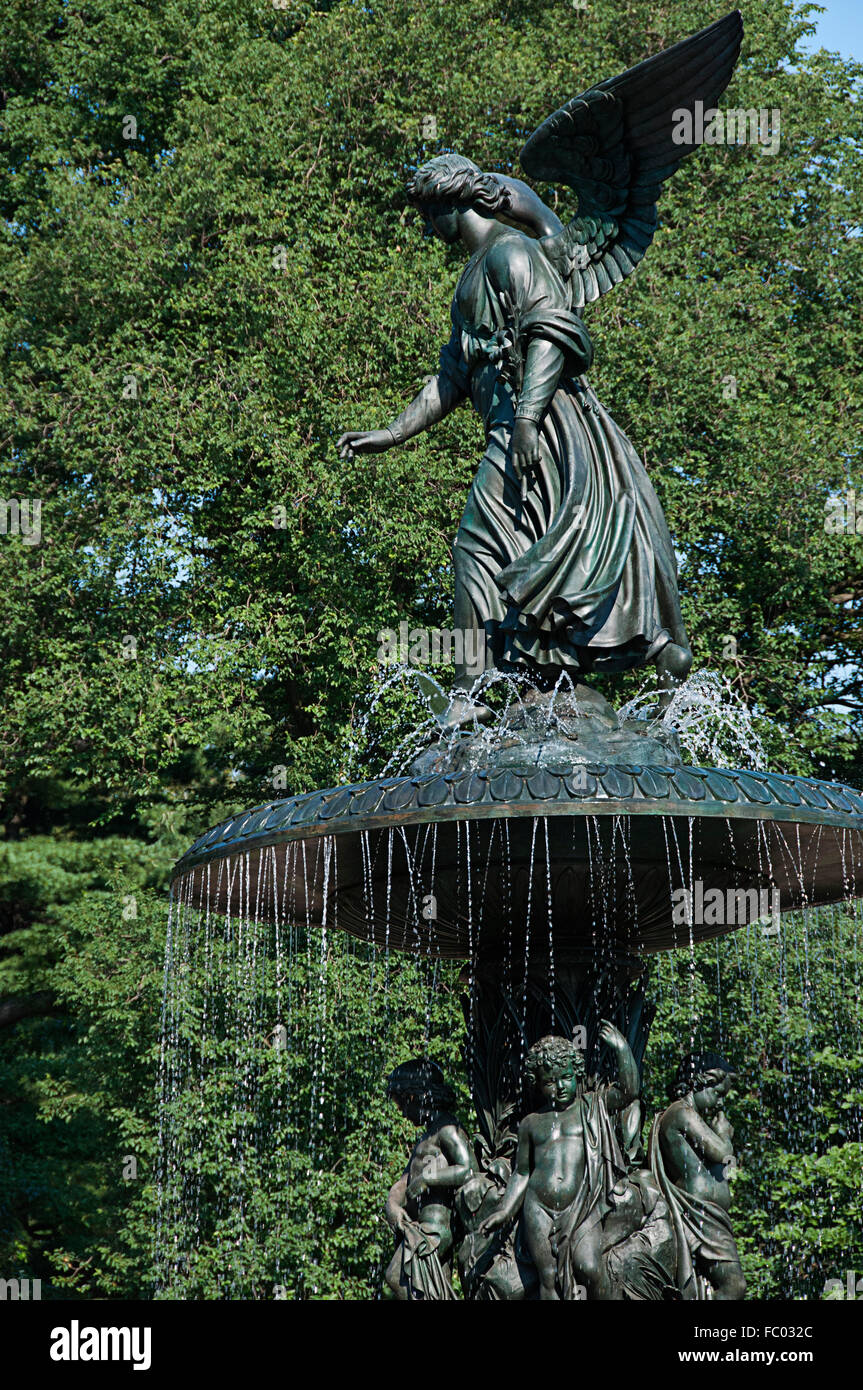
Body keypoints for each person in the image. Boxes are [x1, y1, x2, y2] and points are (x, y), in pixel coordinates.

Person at [338, 154, 692, 726]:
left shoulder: (510, 253)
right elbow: (453, 374)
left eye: (431, 214)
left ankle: (468, 693)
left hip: (543, 431)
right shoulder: (472, 278)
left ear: (455, 204)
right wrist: (392, 432)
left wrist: (527, 419)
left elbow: (551, 331)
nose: (430, 228)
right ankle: (537, 675)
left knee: (478, 547)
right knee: (521, 555)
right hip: (519, 428)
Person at [479, 1026, 639, 1299]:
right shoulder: (531, 1123)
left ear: (576, 1072)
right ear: (538, 1084)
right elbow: (521, 1172)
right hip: (537, 1206)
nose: (561, 1086)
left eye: (566, 1077)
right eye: (550, 1082)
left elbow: (628, 1091)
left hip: (582, 1204)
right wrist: (505, 1211)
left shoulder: (591, 1107)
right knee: (548, 1277)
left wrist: (622, 1048)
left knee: (589, 1267)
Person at [648, 1052, 746, 1300]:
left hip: (707, 1217)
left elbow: (723, 1168)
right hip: (698, 1216)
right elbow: (723, 1153)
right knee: (734, 1286)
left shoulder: (689, 1116)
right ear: (698, 1083)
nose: (720, 1103)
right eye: (717, 1093)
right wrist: (724, 1134)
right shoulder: (681, 1112)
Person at [383, 1058, 474, 1299]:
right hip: (420, 1227)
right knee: (431, 1288)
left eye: (401, 1103)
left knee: (396, 1277)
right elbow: (404, 1181)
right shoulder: (425, 1137)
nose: (401, 1112)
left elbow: (468, 1169)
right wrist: (392, 1204)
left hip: (435, 1230)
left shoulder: (447, 1129)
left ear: (413, 1097)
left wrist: (428, 1179)